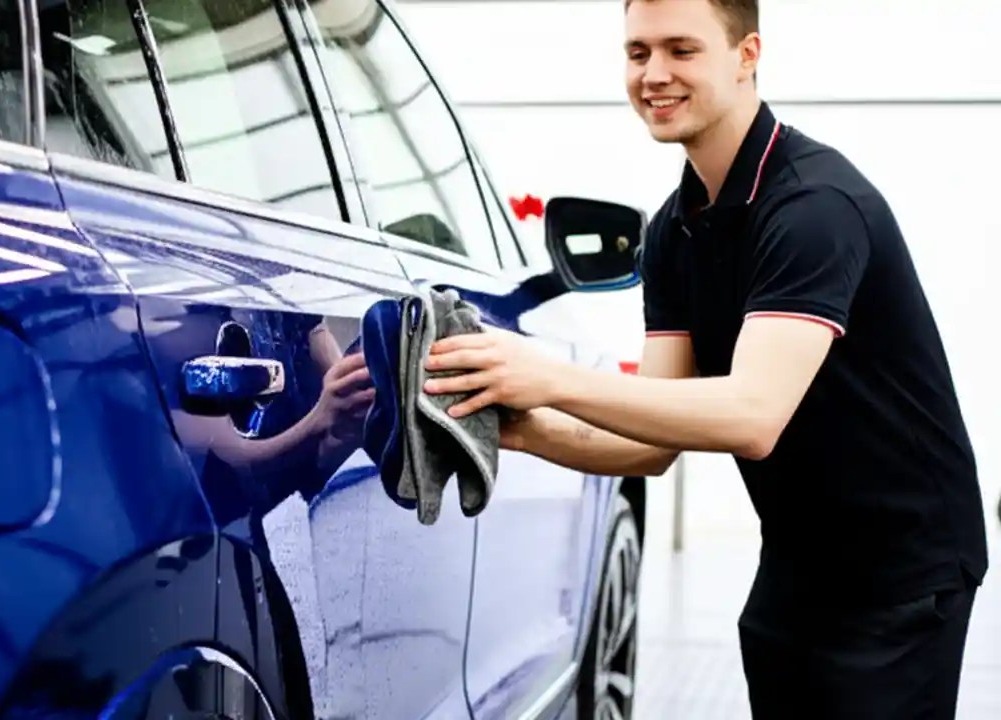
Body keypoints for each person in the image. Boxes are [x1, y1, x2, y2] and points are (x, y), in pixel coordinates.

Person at [422, 0, 989, 717]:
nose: (654, 74)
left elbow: (753, 415)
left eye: (681, 50)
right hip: (795, 560)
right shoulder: (674, 230)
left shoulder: (814, 207)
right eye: (637, 53)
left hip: (902, 571)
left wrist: (550, 376)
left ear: (747, 54)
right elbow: (648, 441)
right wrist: (501, 420)